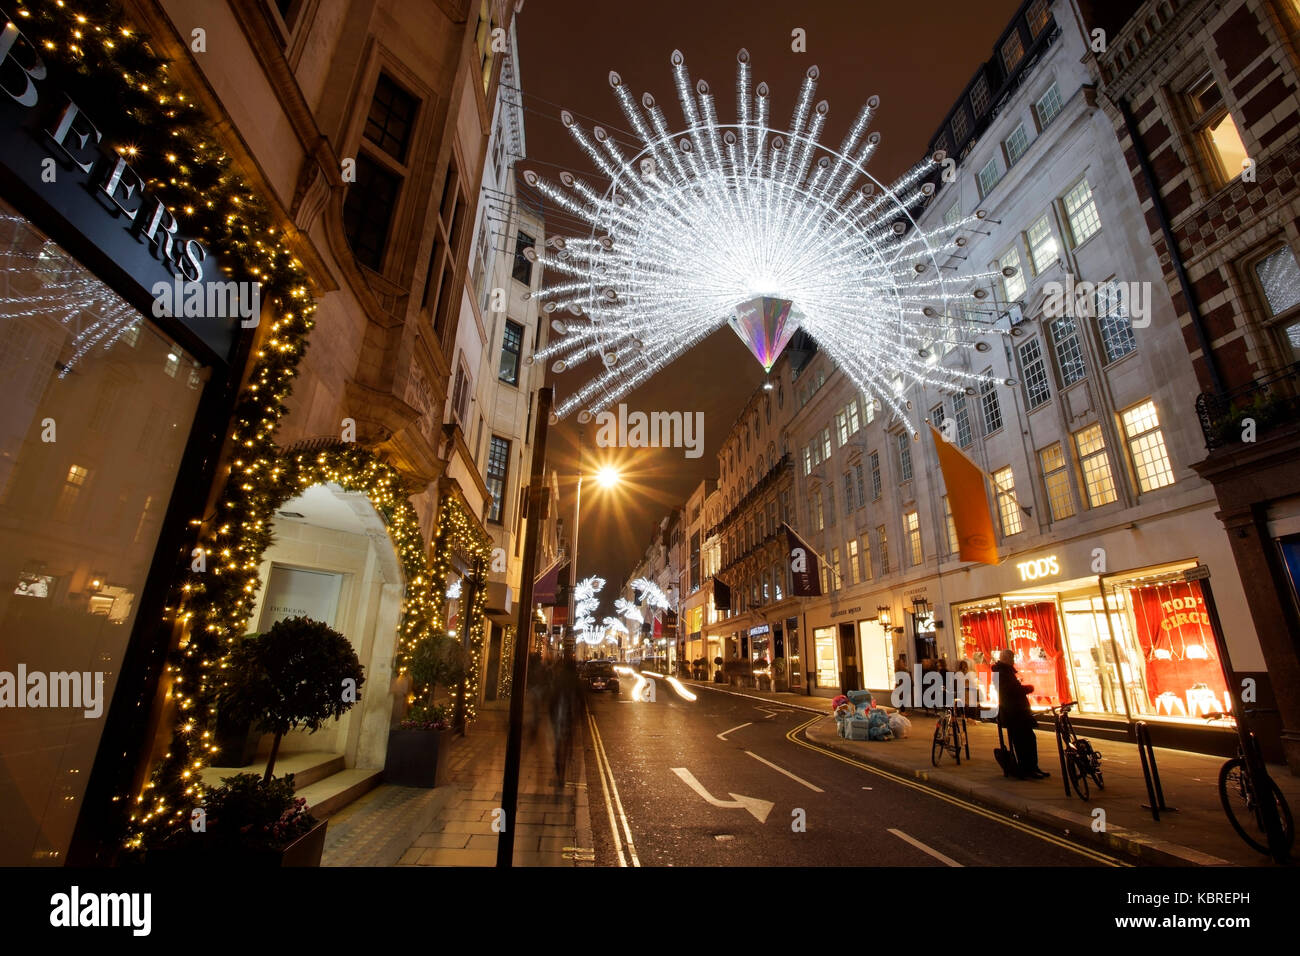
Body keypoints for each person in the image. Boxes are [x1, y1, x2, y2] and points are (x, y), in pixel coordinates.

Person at [992, 649, 1048, 779]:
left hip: (1018, 712)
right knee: (1022, 741)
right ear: (1005, 659)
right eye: (1011, 658)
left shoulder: (1004, 671)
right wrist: (1026, 688)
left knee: (1029, 739)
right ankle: (1027, 768)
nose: (1013, 661)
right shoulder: (1001, 672)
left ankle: (1033, 767)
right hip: (1014, 713)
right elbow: (1009, 690)